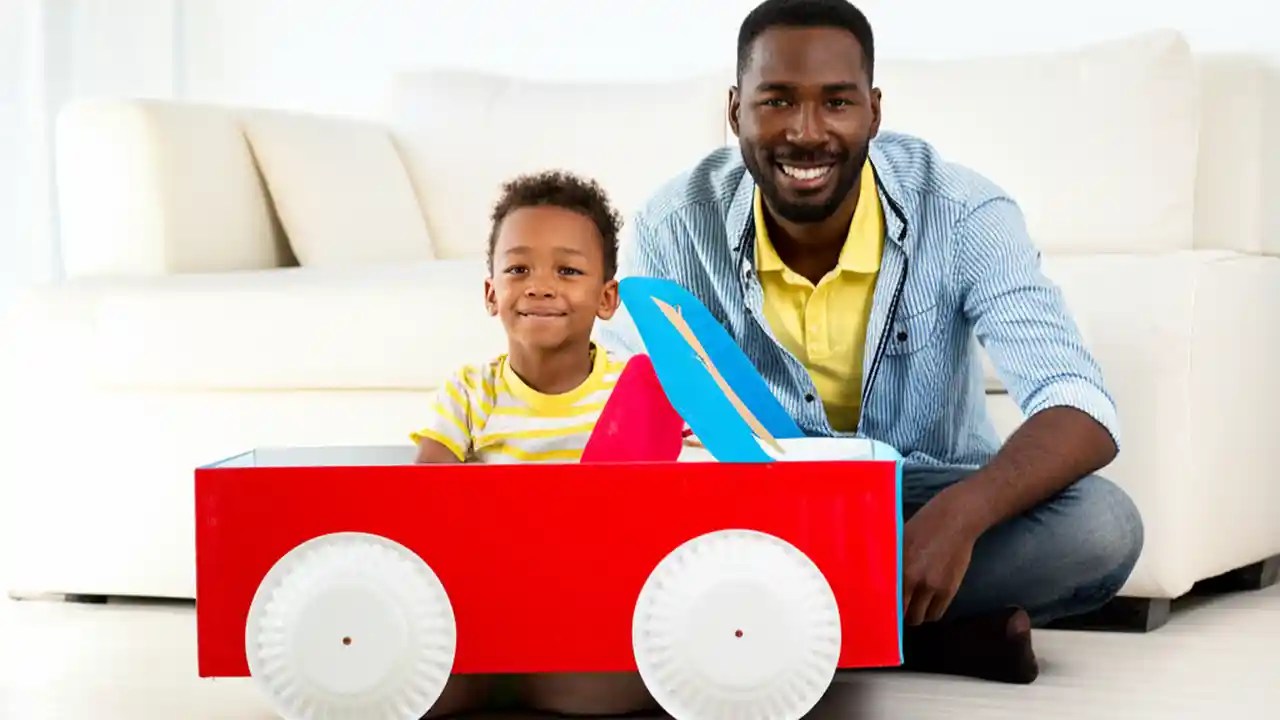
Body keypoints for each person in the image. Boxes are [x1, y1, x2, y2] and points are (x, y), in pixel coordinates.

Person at [598, 0, 1144, 684]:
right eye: (776, 102)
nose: (805, 132)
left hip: (917, 500)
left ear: (874, 112)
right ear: (735, 110)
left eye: (836, 103)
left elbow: (1080, 405)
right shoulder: (675, 224)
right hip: (755, 505)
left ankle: (785, 626)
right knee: (620, 534)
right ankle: (925, 640)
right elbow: (617, 401)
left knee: (1102, 528)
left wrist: (962, 514)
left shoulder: (965, 212)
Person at [412, 170, 658, 715]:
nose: (540, 286)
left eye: (568, 271)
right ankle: (501, 672)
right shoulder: (469, 391)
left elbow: (664, 504)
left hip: (591, 598)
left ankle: (520, 677)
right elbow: (424, 501)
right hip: (489, 593)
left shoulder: (634, 389)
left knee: (597, 691)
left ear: (606, 298)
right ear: (490, 292)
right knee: (422, 690)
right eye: (518, 268)